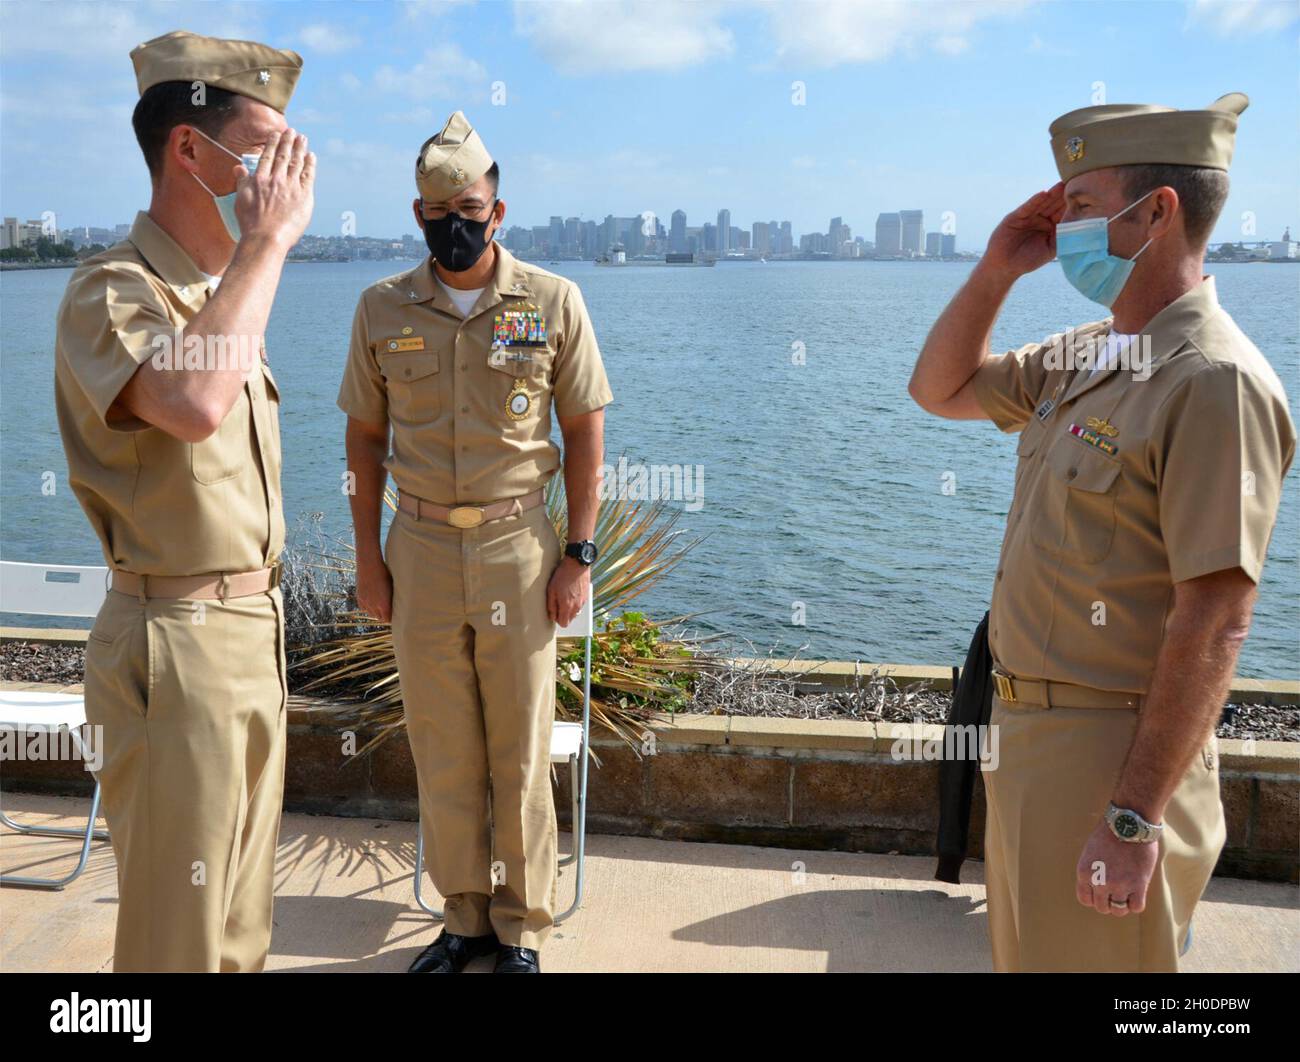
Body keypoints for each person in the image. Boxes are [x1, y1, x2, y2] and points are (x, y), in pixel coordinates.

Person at [908, 92, 1294, 972]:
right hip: (1027, 741)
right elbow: (940, 389)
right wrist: (999, 270)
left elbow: (1217, 617)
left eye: (1081, 206)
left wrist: (1131, 818)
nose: (1064, 226)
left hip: (1108, 758)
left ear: (1156, 214)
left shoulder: (1215, 382)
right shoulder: (1090, 352)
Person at [53, 29, 315, 971]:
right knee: (178, 944)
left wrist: (248, 259)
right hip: (173, 645)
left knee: (238, 934)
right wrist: (270, 239)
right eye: (265, 152)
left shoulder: (213, 295)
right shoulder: (113, 290)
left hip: (251, 635)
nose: (285, 177)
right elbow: (194, 403)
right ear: (190, 151)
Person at [337, 111, 613, 974]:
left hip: (518, 549)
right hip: (415, 548)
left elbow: (584, 433)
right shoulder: (381, 306)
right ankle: (463, 920)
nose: (450, 221)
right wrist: (366, 560)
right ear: (415, 215)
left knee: (521, 748)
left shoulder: (551, 301)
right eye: (433, 209)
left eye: (466, 204)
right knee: (442, 743)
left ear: (498, 210)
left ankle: (523, 927)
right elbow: (362, 443)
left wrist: (579, 554)